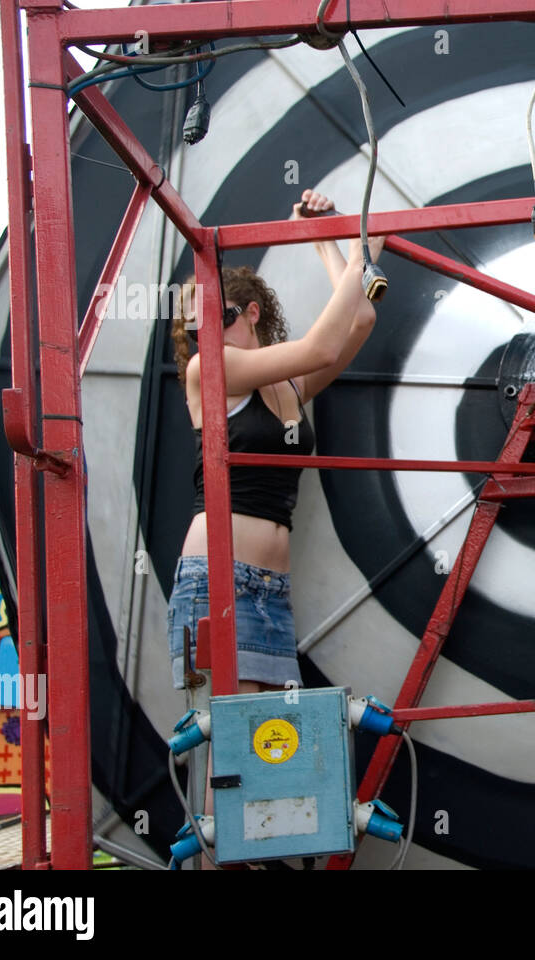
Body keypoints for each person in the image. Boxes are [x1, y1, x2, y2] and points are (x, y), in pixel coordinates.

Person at [167, 188, 381, 693]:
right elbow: (322, 347)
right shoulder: (211, 370)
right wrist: (362, 255)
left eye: (216, 318)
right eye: (194, 327)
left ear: (251, 312)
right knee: (237, 755)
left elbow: (361, 319)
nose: (205, 335)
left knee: (269, 750)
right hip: (218, 577)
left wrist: (323, 238)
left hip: (271, 587)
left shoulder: (289, 383)